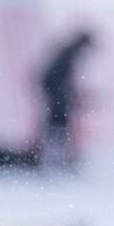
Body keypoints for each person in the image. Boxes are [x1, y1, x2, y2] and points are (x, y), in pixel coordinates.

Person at [38, 30, 96, 168]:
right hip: (55, 90)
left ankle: (55, 157)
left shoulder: (67, 51)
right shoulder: (70, 53)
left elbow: (59, 76)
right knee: (59, 123)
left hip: (54, 89)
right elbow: (60, 76)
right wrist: (67, 95)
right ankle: (55, 158)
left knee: (57, 122)